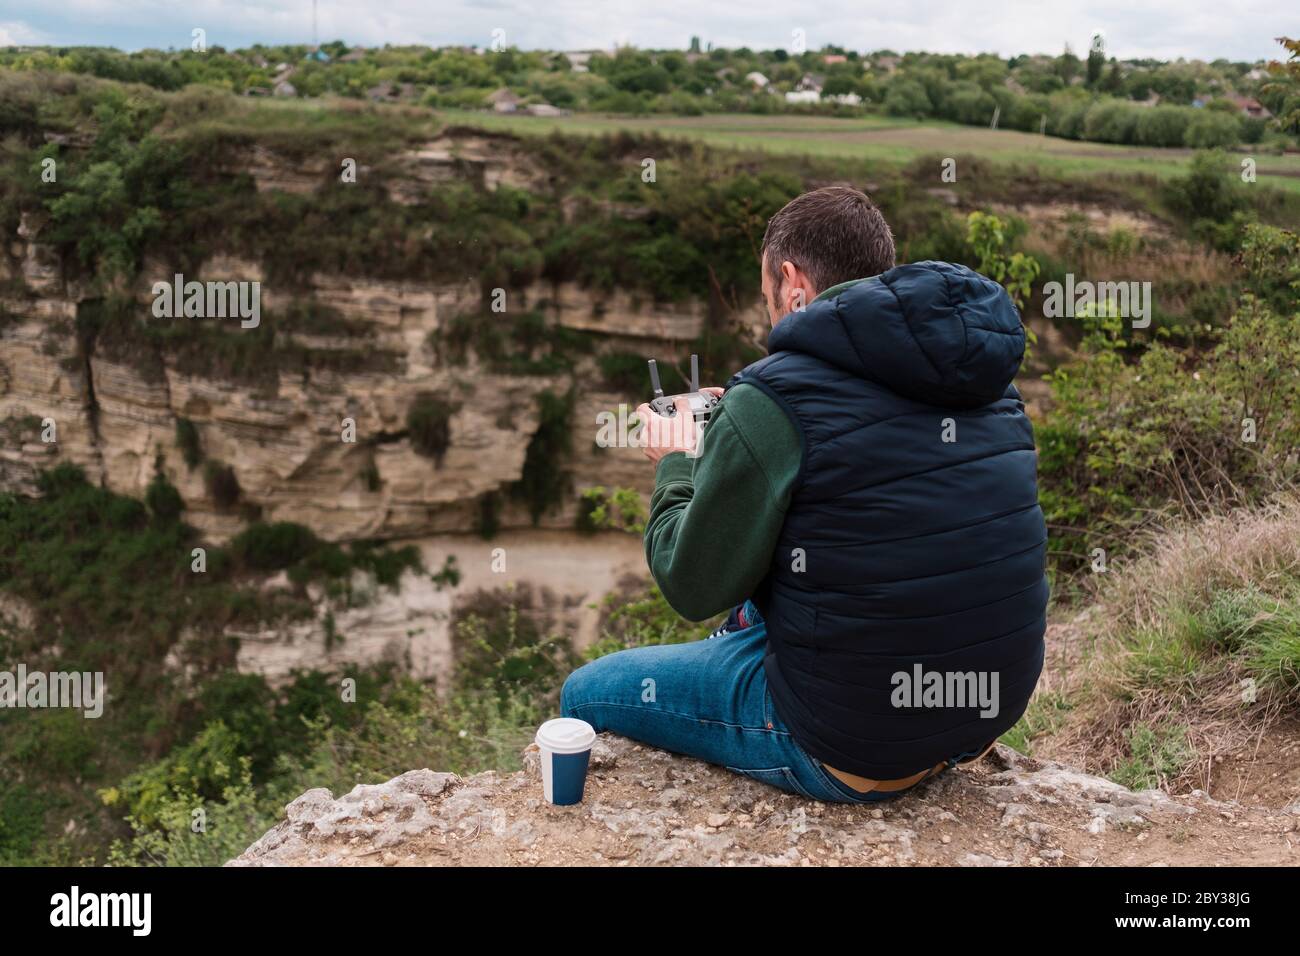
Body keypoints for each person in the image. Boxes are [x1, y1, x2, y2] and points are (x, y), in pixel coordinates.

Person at [561, 186, 1048, 803]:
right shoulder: (984, 377)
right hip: (980, 713)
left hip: (852, 746)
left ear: (792, 282)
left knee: (586, 692)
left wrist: (680, 460)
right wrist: (739, 428)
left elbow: (692, 584)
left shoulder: (777, 400)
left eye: (768, 300)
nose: (770, 319)